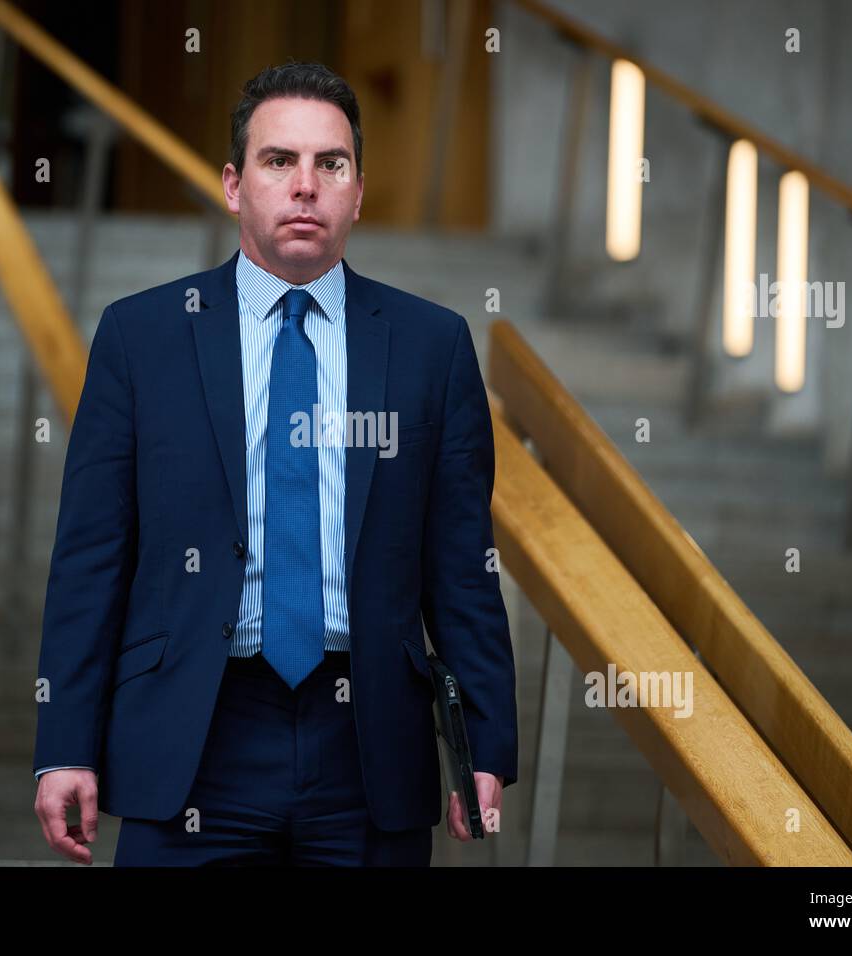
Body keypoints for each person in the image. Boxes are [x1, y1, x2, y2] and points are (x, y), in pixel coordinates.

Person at [32, 61, 517, 866]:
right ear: (232, 184)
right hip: (194, 732)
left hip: (366, 745)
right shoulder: (142, 338)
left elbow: (463, 567)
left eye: (331, 164)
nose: (305, 186)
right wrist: (65, 745)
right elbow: (89, 560)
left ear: (358, 192)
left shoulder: (431, 348)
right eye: (278, 161)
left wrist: (487, 743)